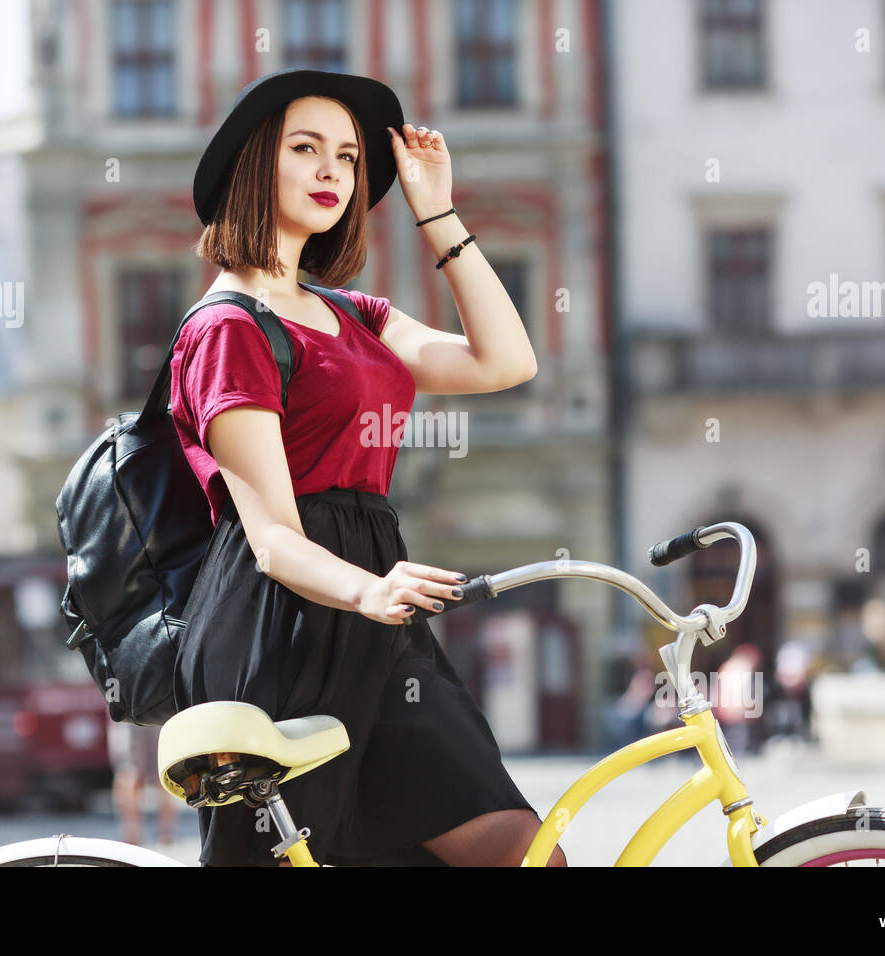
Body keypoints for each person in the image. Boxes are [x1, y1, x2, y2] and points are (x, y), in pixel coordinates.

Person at [169, 69, 558, 866]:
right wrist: (368, 589)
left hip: (383, 613)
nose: (331, 173)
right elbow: (273, 536)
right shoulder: (226, 327)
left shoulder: (355, 313)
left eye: (346, 158)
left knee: (521, 850)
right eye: (305, 149)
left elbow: (506, 360)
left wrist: (437, 212)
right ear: (253, 165)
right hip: (284, 621)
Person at [107, 721, 176, 847]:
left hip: (126, 711)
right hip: (156, 712)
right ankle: (165, 833)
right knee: (162, 769)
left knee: (129, 773)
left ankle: (132, 835)